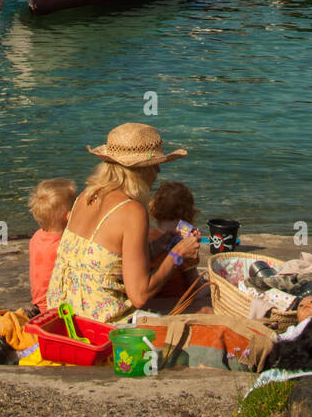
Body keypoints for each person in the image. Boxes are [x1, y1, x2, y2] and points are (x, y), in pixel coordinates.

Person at [46, 123, 200, 322]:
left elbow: (109, 261)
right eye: (154, 165)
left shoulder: (85, 197)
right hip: (99, 326)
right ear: (140, 171)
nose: (159, 170)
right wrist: (177, 255)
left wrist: (161, 245)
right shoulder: (132, 211)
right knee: (199, 311)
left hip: (62, 317)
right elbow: (140, 296)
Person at [27, 178, 77, 312]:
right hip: (56, 306)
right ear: (70, 216)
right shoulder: (64, 245)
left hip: (39, 302)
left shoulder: (36, 237)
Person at [148, 180, 200, 299]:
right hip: (175, 301)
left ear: (154, 208)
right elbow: (194, 285)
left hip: (151, 299)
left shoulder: (146, 238)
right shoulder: (186, 244)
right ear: (190, 212)